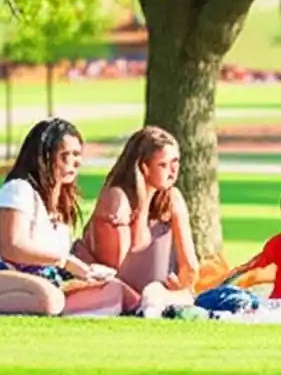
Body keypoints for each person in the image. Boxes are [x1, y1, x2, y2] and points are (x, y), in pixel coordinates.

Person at [0, 118, 139, 316]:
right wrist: (65, 261)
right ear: (44, 158)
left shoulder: (61, 205)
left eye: (77, 154)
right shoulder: (19, 190)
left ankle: (151, 310)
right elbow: (11, 248)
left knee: (113, 288)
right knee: (50, 299)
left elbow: (54, 259)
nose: (75, 162)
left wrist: (89, 271)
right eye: (65, 155)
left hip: (42, 280)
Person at [71, 126, 200, 311]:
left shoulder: (172, 198)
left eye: (176, 162)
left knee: (165, 296)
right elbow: (115, 267)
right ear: (144, 168)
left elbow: (190, 268)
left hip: (149, 295)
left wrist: (180, 285)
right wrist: (143, 201)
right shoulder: (116, 199)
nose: (173, 171)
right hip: (102, 287)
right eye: (163, 165)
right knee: (127, 294)